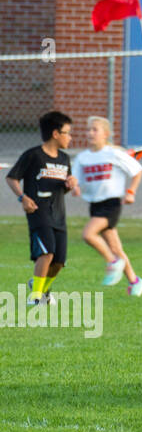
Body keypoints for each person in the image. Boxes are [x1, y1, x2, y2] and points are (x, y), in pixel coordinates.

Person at [8, 111, 78, 306]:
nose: (70, 137)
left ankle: (41, 288)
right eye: (67, 133)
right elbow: (11, 177)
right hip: (38, 212)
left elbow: (61, 187)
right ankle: (36, 296)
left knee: (59, 262)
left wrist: (69, 185)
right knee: (46, 252)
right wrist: (22, 197)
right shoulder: (33, 155)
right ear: (55, 134)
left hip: (59, 213)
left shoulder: (64, 159)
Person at [72, 116, 142, 295]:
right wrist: (74, 186)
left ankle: (113, 262)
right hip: (95, 205)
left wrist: (131, 192)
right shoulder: (82, 158)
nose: (90, 133)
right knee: (115, 247)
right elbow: (76, 180)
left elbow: (137, 171)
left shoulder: (113, 154)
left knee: (88, 234)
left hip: (111, 204)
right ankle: (135, 282)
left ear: (106, 134)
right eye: (88, 129)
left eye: (95, 129)